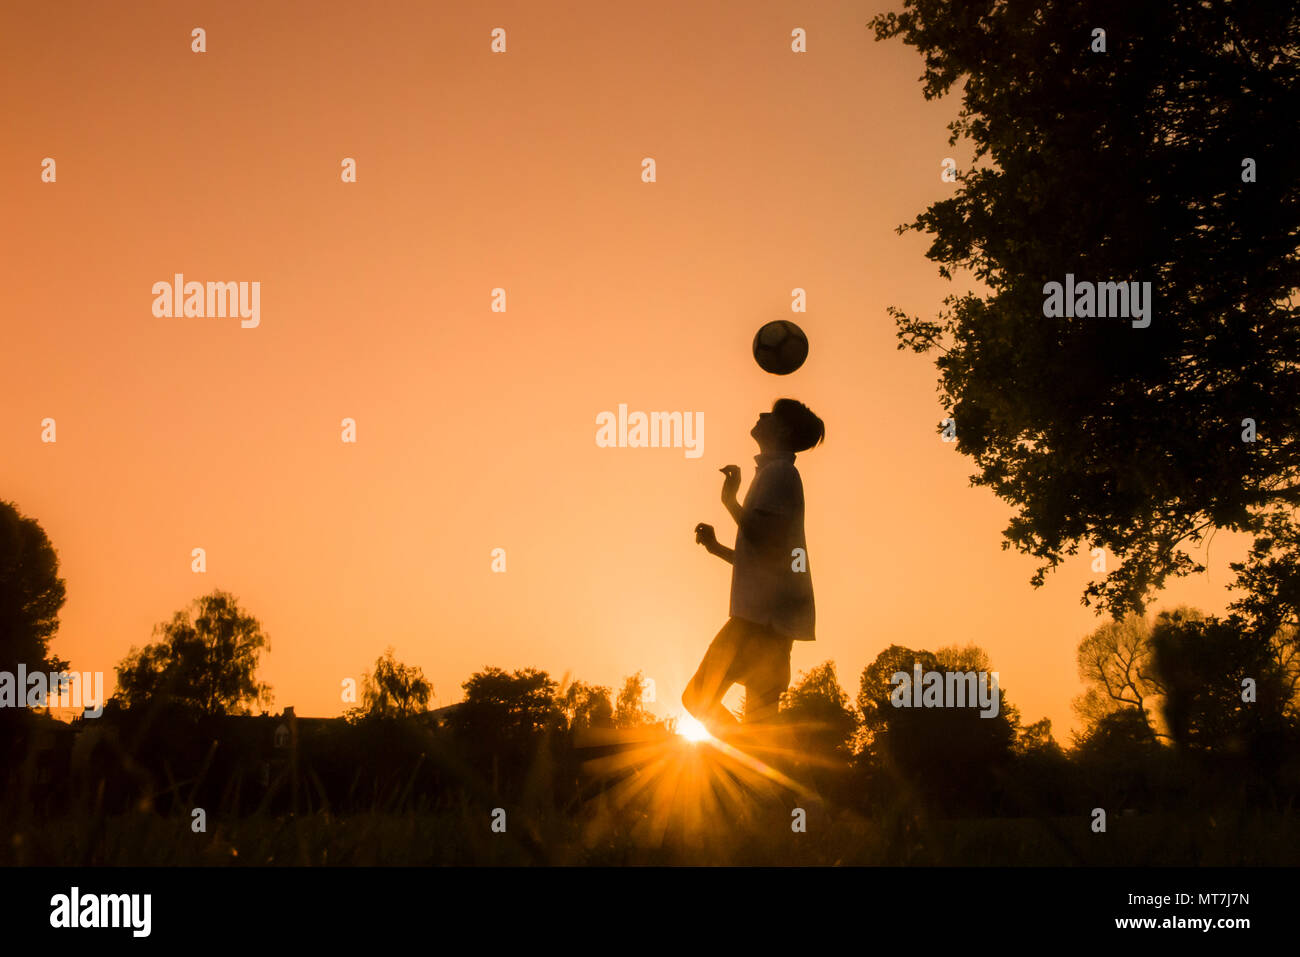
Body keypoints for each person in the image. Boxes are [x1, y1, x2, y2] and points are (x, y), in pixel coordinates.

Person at [683, 398, 823, 740]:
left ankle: (747, 761)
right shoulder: (776, 473)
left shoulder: (780, 474)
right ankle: (791, 792)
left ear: (784, 430)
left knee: (698, 697)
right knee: (762, 733)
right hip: (774, 626)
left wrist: (730, 501)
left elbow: (763, 537)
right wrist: (717, 549)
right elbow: (768, 557)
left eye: (772, 415)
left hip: (759, 624)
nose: (761, 415)